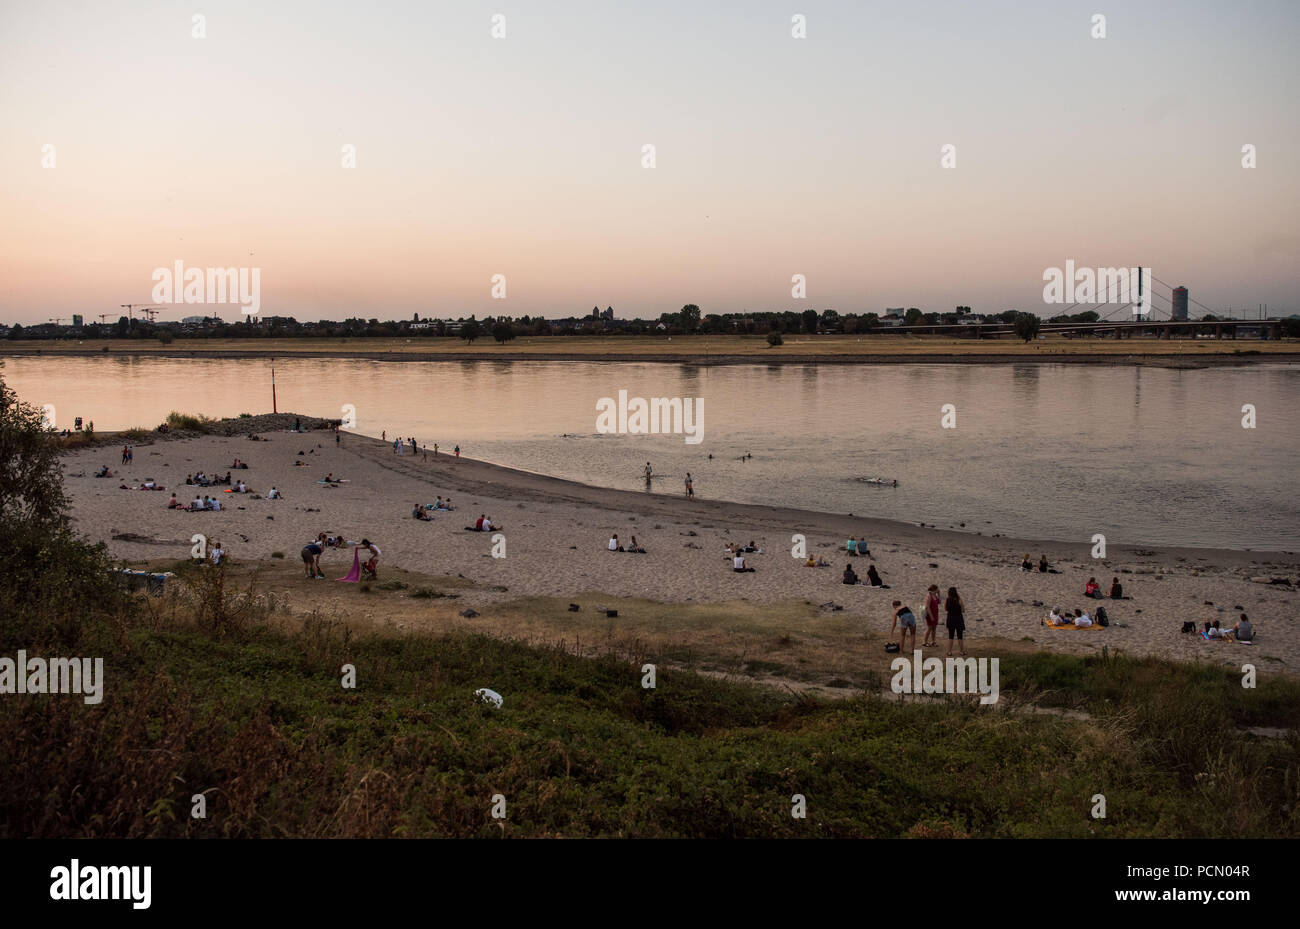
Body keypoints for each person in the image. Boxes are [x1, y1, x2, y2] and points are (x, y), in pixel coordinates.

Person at [945, 587, 966, 657]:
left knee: (951, 636)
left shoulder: (947, 600)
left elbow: (945, 609)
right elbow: (963, 610)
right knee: (960, 636)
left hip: (950, 619)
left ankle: (949, 651)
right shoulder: (959, 600)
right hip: (958, 619)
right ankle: (961, 651)